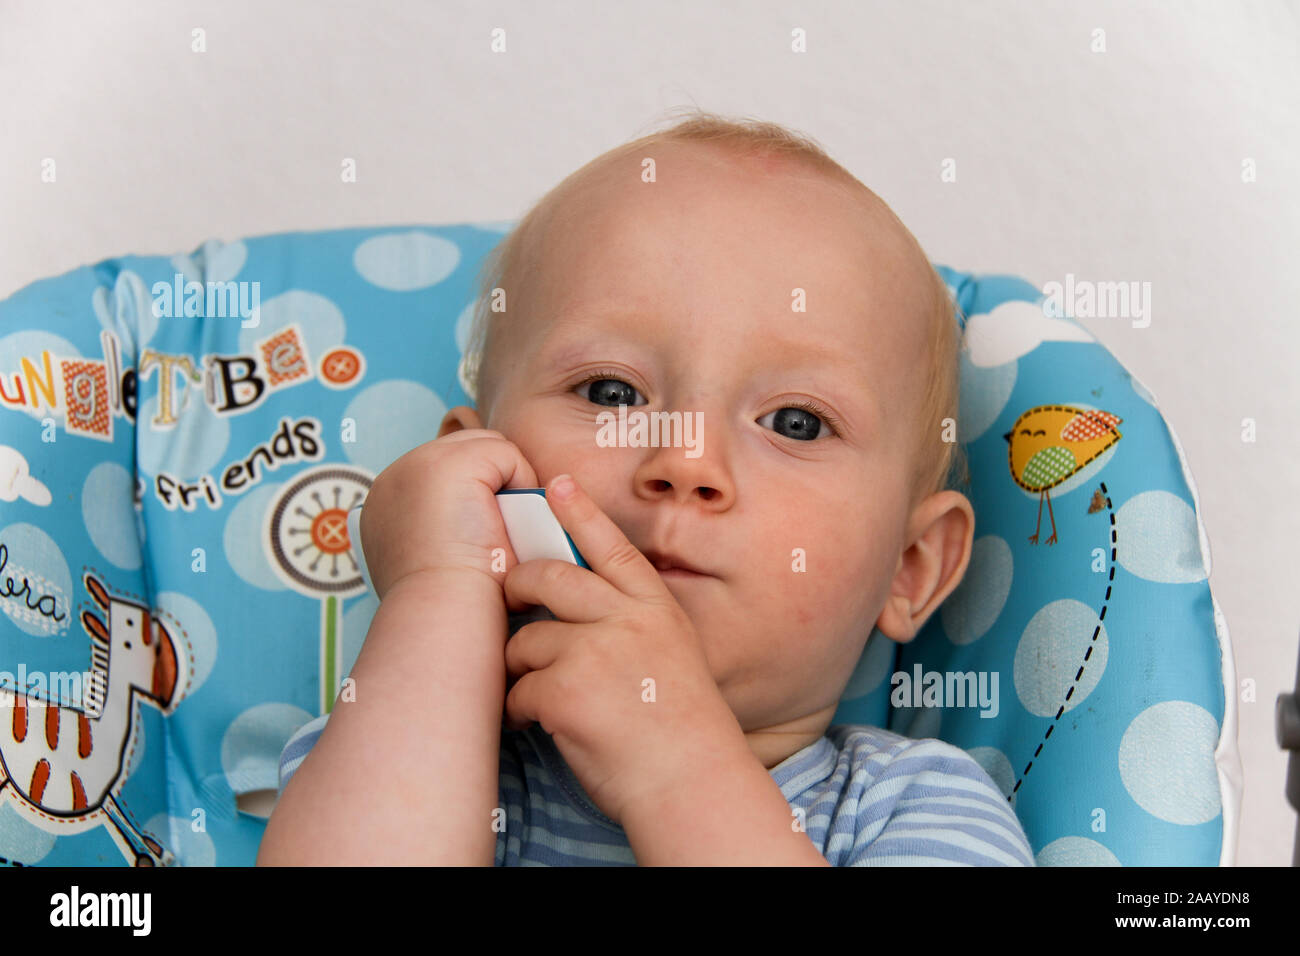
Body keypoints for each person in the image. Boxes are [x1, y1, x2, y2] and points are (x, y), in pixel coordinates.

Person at [256, 109, 1035, 866]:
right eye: (610, 394)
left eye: (796, 422)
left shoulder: (915, 811)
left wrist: (674, 765)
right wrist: (436, 587)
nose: (685, 460)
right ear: (478, 474)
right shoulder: (412, 746)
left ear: (910, 566)